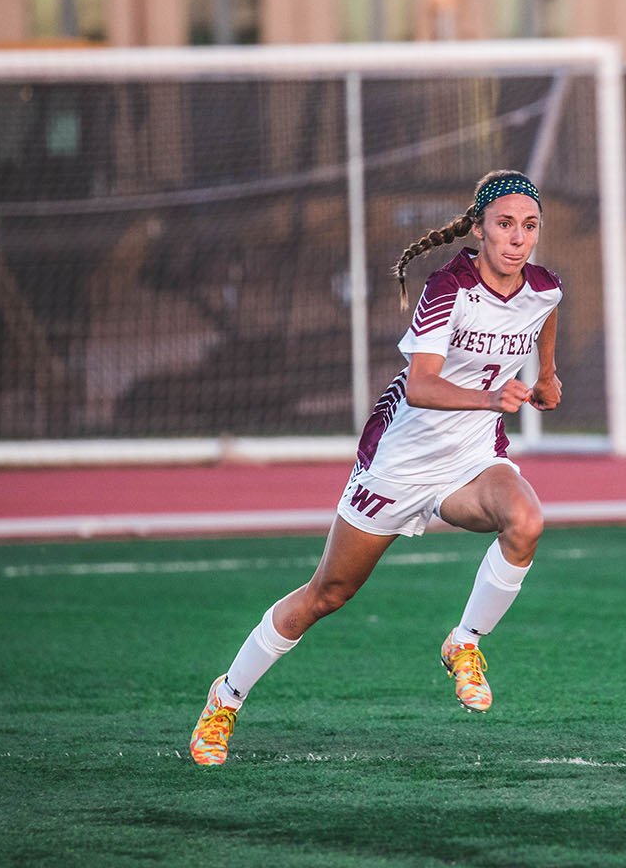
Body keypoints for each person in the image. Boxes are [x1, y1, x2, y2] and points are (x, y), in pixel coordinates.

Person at [189, 170, 563, 765]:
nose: (518, 238)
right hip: (400, 461)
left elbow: (543, 315)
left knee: (526, 520)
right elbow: (420, 385)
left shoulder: (543, 286)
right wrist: (496, 397)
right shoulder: (449, 289)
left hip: (471, 458)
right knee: (327, 594)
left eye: (530, 226)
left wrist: (543, 376)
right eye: (505, 225)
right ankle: (226, 699)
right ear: (480, 228)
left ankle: (463, 643)